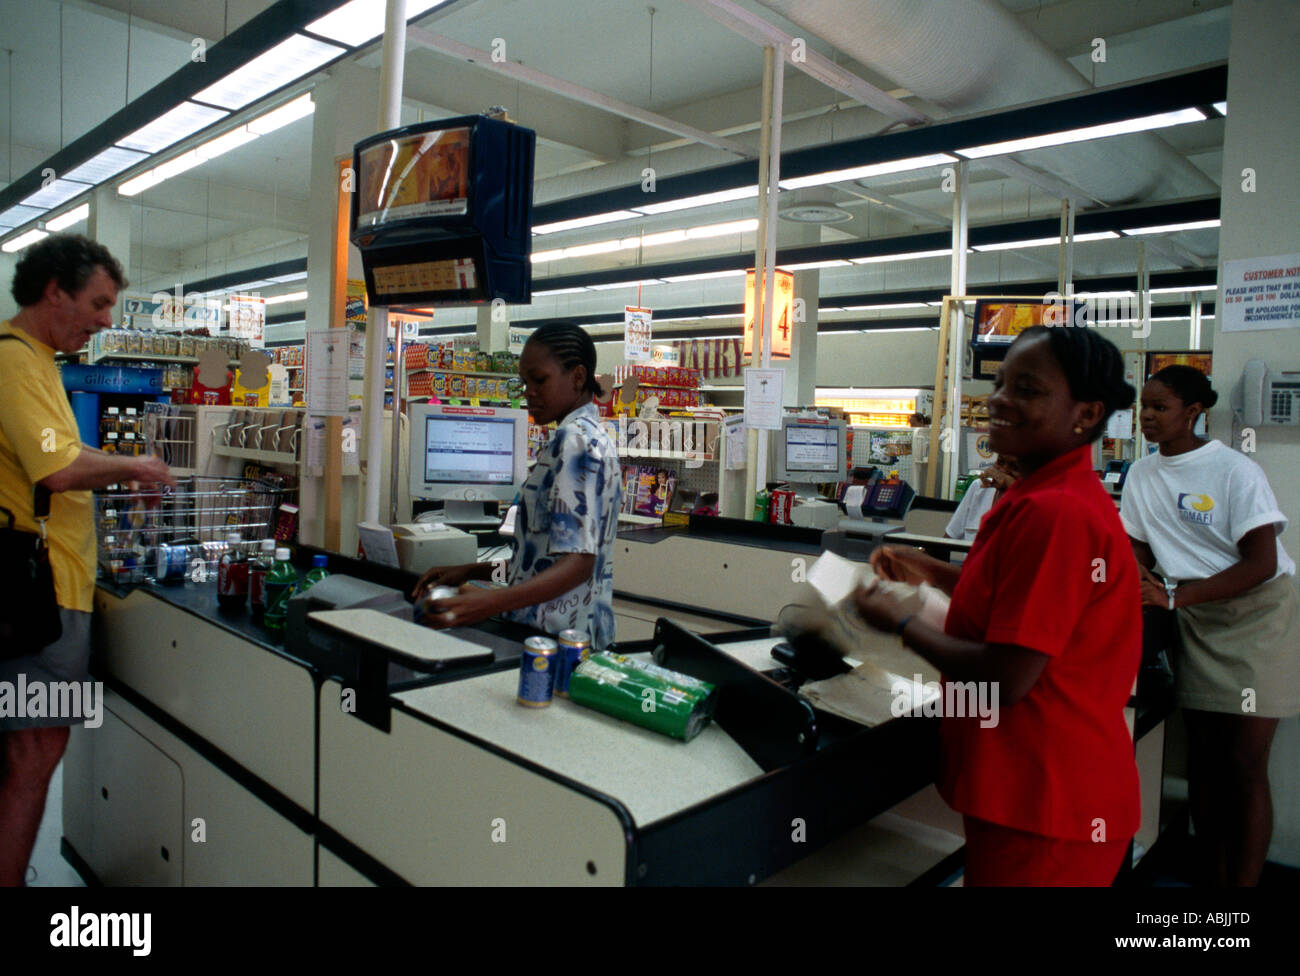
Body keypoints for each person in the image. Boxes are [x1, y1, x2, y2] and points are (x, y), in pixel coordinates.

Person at [854, 325, 1141, 886]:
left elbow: (1008, 676)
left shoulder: (1056, 514)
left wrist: (901, 622)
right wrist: (927, 567)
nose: (1000, 400)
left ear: (1086, 414)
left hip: (1046, 800)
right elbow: (1013, 597)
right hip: (1035, 788)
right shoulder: (1043, 497)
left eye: (1027, 390)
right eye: (1002, 382)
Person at [0, 234, 175, 886]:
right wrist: (136, 465)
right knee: (36, 746)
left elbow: (52, 458)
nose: (107, 319)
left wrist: (117, 469)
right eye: (98, 304)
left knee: (23, 746)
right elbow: (58, 469)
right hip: (36, 592)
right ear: (55, 292)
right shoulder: (18, 361)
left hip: (36, 584)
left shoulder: (32, 357)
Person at [1121, 365, 1298, 886]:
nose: (1147, 417)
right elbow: (1136, 549)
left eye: (1160, 408)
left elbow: (1260, 563)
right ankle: (1211, 878)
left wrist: (1171, 594)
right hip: (1194, 618)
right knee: (1203, 761)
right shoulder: (1141, 474)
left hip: (1257, 617)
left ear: (1194, 413)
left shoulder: (1234, 471)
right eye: (1142, 408)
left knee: (1244, 765)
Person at [412, 322, 621, 650]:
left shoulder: (576, 443)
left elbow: (579, 564)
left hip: (553, 644)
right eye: (524, 382)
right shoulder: (587, 437)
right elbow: (540, 563)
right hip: (564, 637)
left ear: (578, 377)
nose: (529, 392)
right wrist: (471, 570)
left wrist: (485, 604)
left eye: (539, 380)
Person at [945, 454, 1019, 541]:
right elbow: (949, 538)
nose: (1003, 470)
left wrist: (1013, 488)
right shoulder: (978, 487)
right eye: (1000, 462)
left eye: (1014, 467)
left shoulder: (1028, 501)